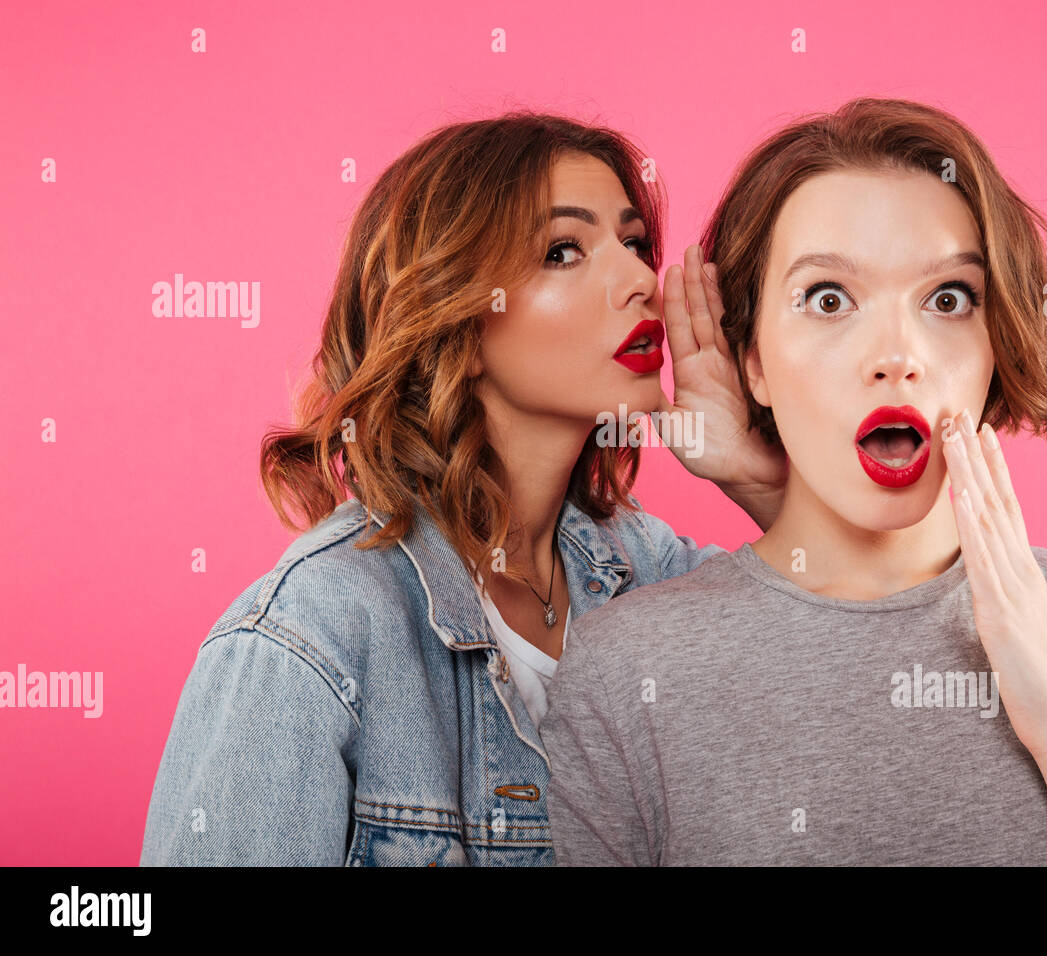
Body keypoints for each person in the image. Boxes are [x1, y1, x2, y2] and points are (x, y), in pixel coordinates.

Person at [538, 97, 1047, 866]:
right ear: (753, 359)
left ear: (997, 340)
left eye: (948, 299)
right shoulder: (630, 666)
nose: (898, 354)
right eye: (828, 299)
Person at [139, 111, 786, 866]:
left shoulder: (646, 571)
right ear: (459, 321)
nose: (642, 280)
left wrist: (755, 478)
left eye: (635, 242)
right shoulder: (309, 639)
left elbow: (857, 682)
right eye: (563, 251)